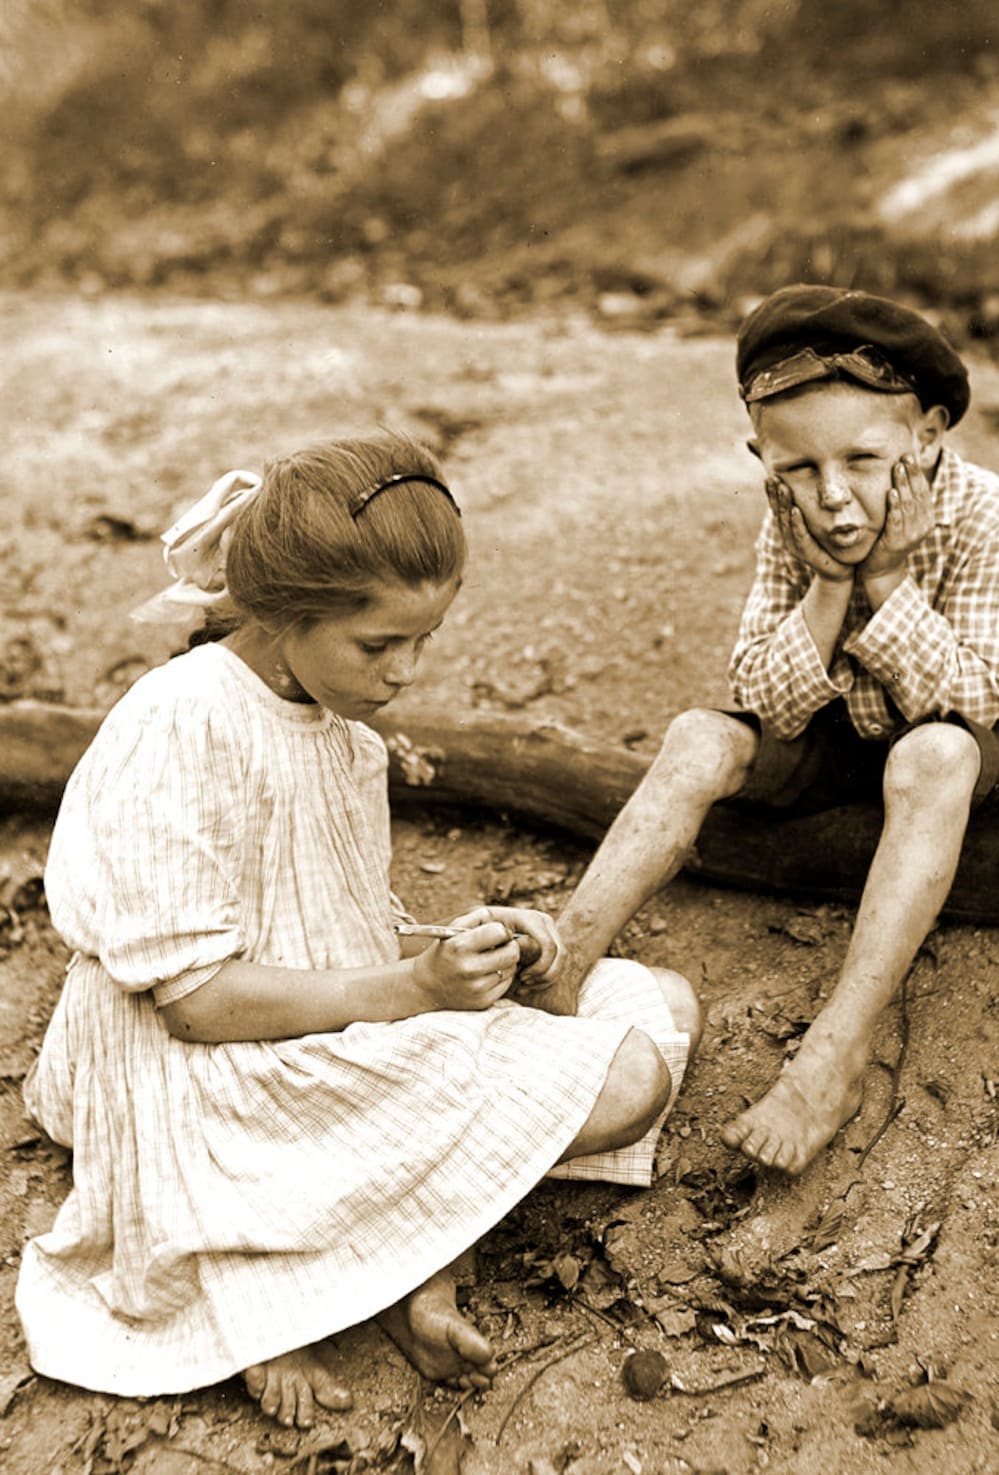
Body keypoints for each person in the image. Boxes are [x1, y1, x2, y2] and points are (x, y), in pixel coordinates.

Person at [16, 431, 702, 1429]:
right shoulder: (182, 722)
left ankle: (411, 1267)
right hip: (194, 1064)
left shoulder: (343, 741)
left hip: (320, 1018)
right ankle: (283, 1287)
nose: (405, 672)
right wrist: (414, 995)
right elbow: (197, 1001)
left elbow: (336, 925)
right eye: (379, 646)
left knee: (665, 1001)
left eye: (423, 640)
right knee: (633, 1074)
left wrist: (468, 945)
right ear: (283, 615)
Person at [518, 283, 999, 1177]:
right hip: (862, 737)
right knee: (700, 735)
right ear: (763, 459)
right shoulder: (798, 520)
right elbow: (764, 695)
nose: (833, 498)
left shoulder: (986, 515)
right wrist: (829, 587)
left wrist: (891, 579)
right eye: (797, 470)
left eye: (863, 460)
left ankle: (836, 1054)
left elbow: (973, 702)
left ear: (928, 436)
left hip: (990, 752)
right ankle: (562, 960)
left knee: (932, 751)